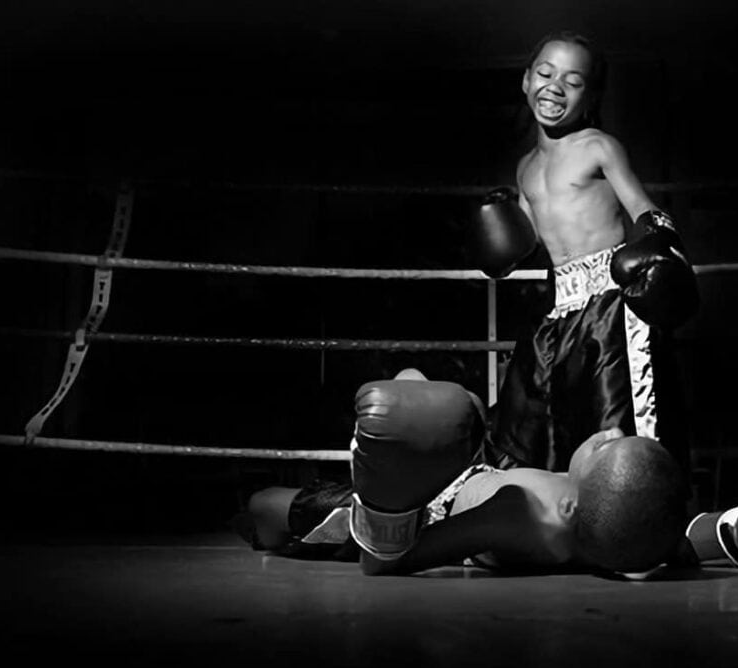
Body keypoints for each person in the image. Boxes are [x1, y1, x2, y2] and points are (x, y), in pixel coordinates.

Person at [474, 31, 699, 479]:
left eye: (572, 80)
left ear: (591, 94)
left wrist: (663, 250)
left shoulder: (599, 146)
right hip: (559, 311)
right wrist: (500, 231)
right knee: (540, 427)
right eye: (544, 72)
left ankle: (642, 523)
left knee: (624, 426)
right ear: (525, 81)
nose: (555, 86)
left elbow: (645, 210)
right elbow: (529, 242)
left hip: (614, 304)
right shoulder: (526, 167)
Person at [246, 373, 690, 577]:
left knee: (264, 506)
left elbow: (391, 563)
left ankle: (272, 523)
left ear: (570, 505)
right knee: (456, 401)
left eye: (608, 446)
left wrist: (382, 505)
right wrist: (737, 530)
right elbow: (667, 529)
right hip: (477, 473)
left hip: (424, 506)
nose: (609, 430)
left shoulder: (524, 515)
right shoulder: (618, 539)